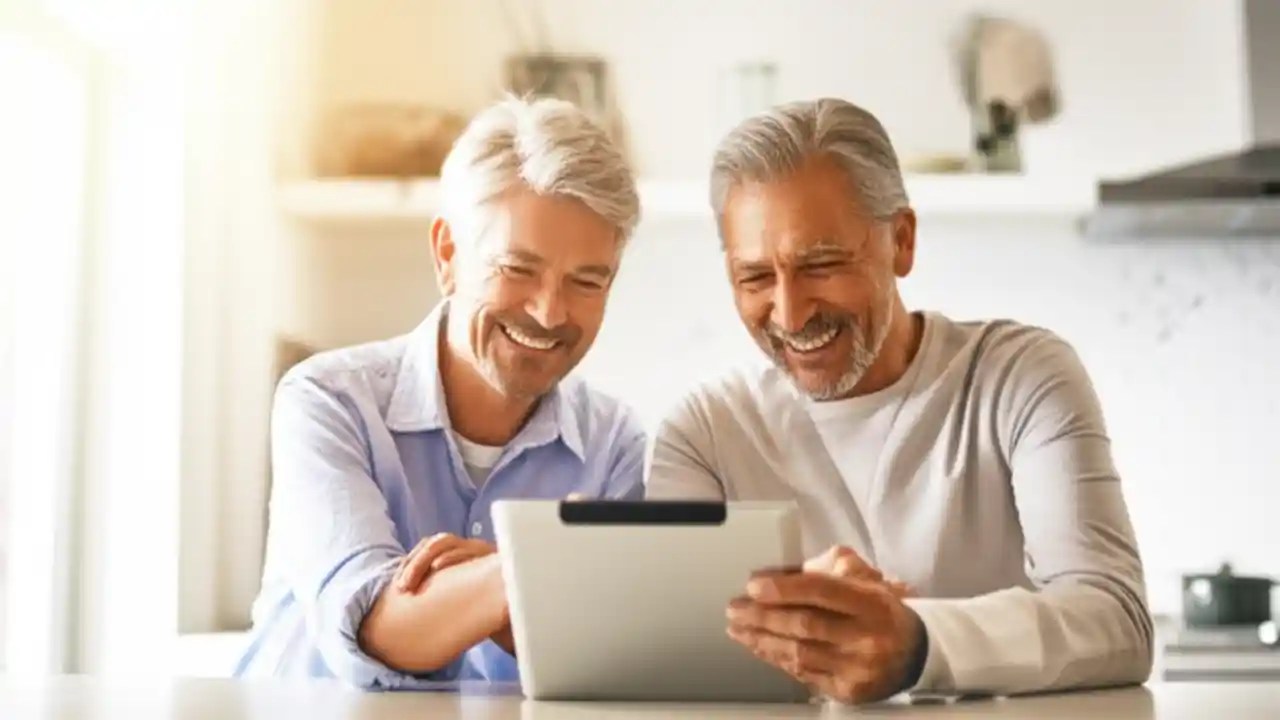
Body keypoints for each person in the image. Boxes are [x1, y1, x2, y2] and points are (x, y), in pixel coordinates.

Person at [646, 98, 1153, 703]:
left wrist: (918, 642)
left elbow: (1115, 618)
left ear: (902, 241)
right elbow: (667, 648)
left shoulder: (1020, 377)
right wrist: (811, 616)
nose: (790, 314)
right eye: (755, 277)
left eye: (822, 264)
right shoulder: (704, 434)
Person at [235, 96, 645, 689]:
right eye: (517, 269)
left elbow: (606, 663)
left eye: (586, 281)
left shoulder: (614, 446)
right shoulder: (328, 401)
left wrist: (503, 580)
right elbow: (376, 628)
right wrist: (531, 569)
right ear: (448, 254)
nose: (549, 312)